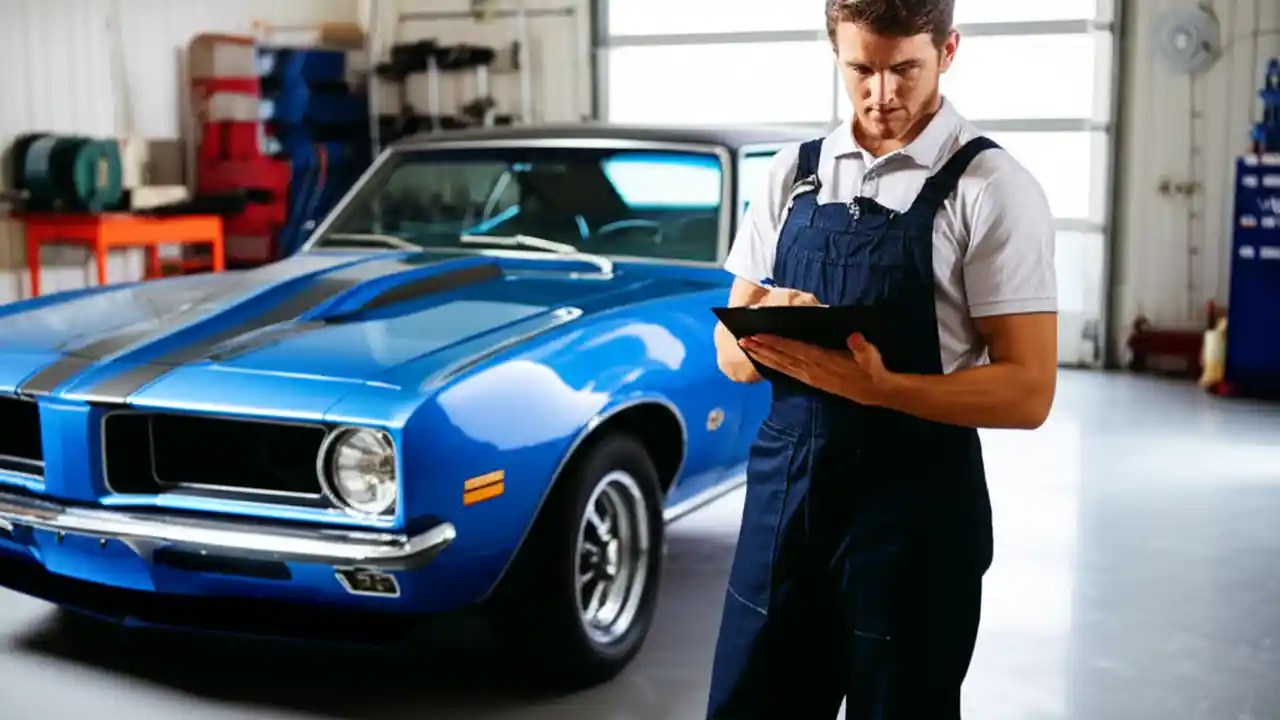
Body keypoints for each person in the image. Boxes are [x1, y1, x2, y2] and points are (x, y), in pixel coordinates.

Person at [705, 1, 1059, 718]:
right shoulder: (792, 174)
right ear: (835, 52)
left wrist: (882, 388)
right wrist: (768, 319)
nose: (882, 93)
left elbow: (1029, 393)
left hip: (915, 510)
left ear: (948, 50)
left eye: (906, 69)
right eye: (860, 69)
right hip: (785, 500)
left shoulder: (992, 188)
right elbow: (730, 358)